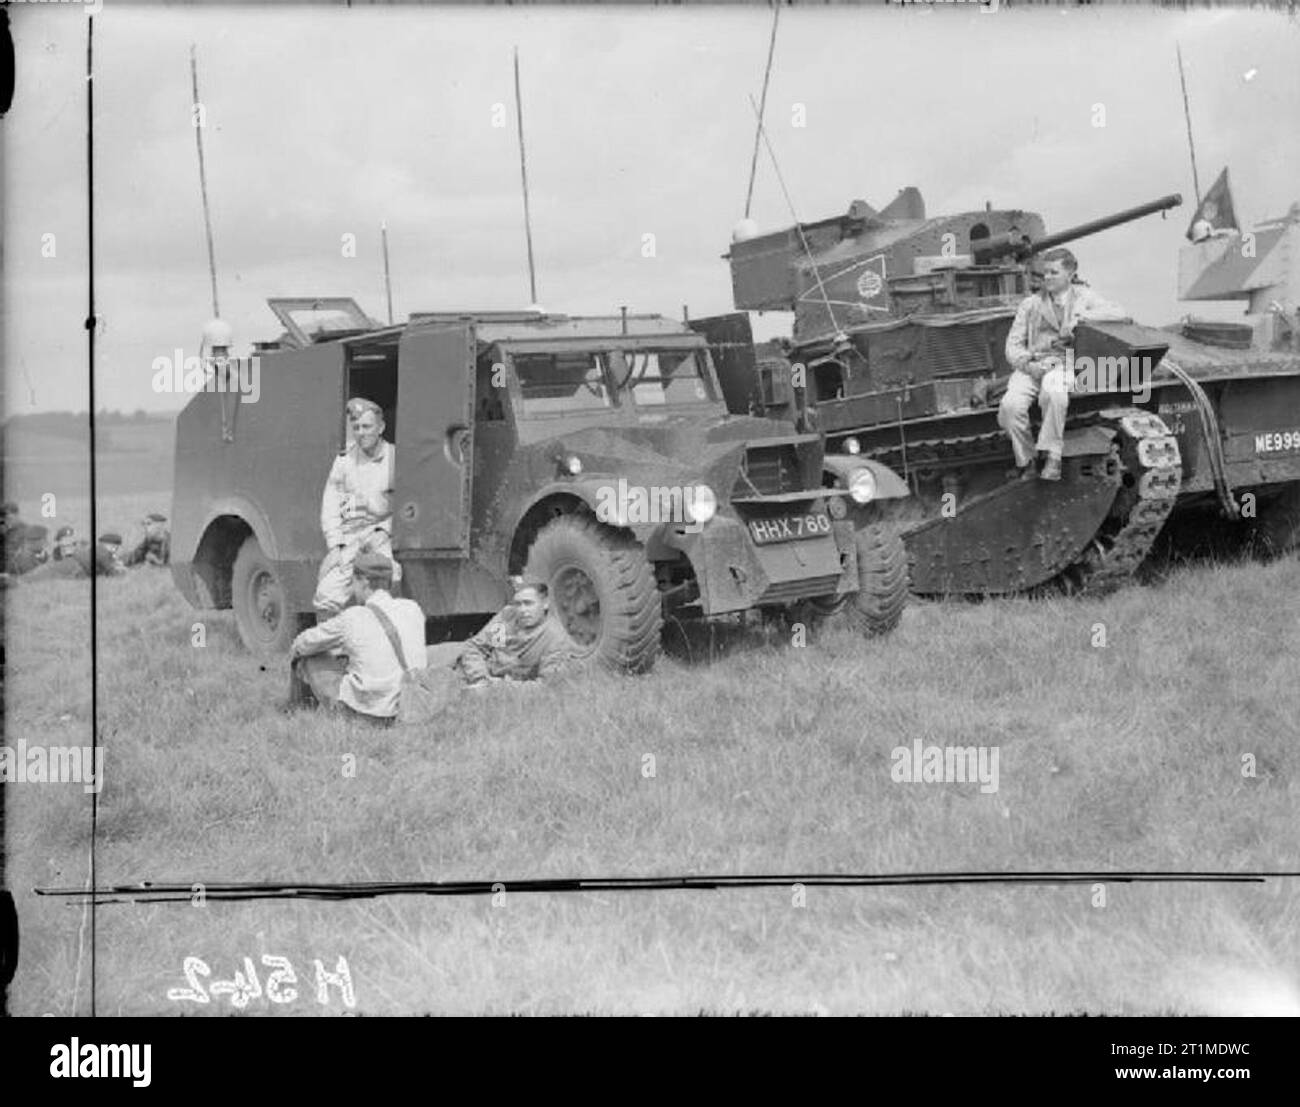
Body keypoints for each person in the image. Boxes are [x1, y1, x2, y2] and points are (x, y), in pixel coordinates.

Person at [999, 247, 1127, 481]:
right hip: (1032, 365)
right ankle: (1026, 460)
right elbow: (1012, 347)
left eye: (1053, 272)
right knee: (1010, 406)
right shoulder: (1030, 304)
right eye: (1045, 273)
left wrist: (1081, 318)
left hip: (1065, 363)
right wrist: (1028, 365)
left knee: (1055, 393)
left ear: (1070, 273)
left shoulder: (1084, 297)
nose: (1047, 277)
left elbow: (1118, 312)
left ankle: (1053, 455)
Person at [290, 551, 426, 723]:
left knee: (307, 656)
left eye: (352, 582)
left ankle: (301, 708)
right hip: (410, 705)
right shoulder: (413, 608)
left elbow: (303, 643)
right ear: (389, 582)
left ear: (363, 582)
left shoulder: (353, 616)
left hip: (370, 712)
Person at [313, 398, 399, 619]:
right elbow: (330, 506)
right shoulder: (344, 461)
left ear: (381, 428)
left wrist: (384, 530)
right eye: (357, 428)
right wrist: (336, 545)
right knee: (326, 595)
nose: (361, 433)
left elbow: (407, 503)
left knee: (390, 580)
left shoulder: (395, 458)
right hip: (350, 538)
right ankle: (331, 650)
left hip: (381, 536)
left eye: (367, 427)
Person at [426, 580, 580, 688]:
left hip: (498, 685)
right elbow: (478, 647)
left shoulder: (555, 639)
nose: (522, 610)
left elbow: (546, 687)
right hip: (469, 666)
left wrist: (498, 686)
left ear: (545, 604)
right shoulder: (508, 617)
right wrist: (479, 677)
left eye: (528, 603)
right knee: (418, 660)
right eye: (518, 604)